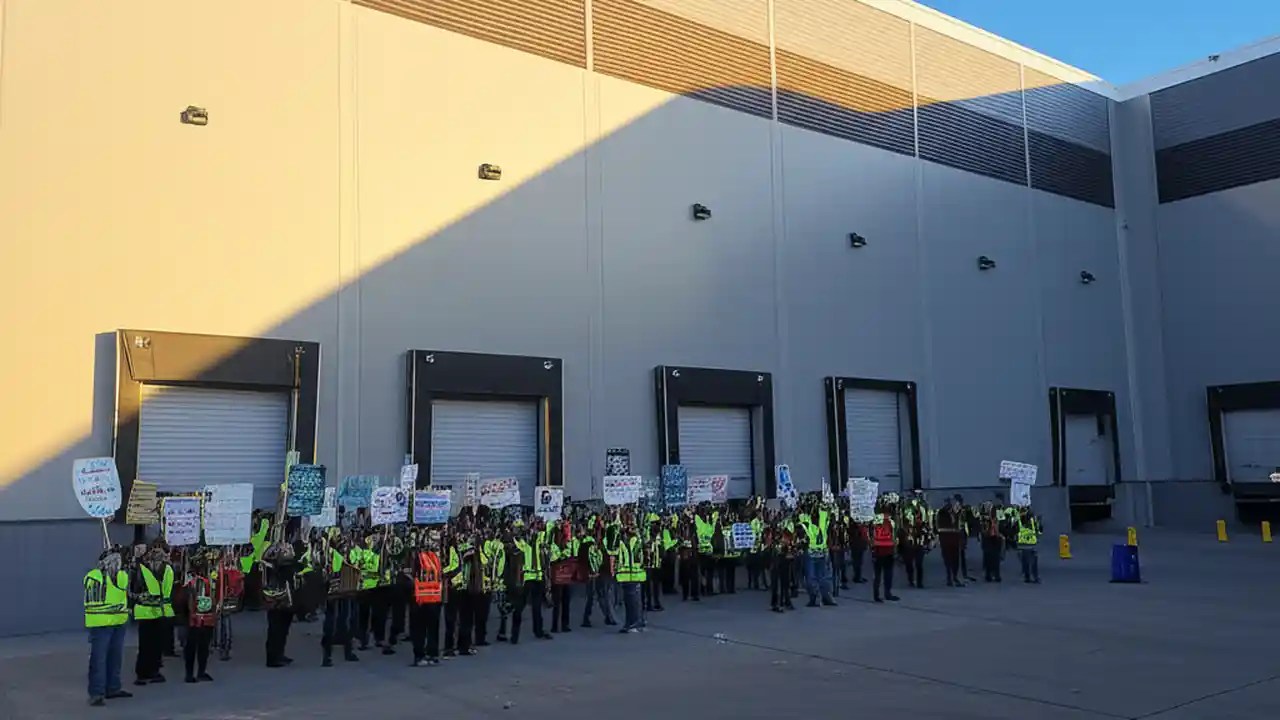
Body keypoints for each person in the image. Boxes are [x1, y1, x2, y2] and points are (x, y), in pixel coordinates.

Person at [85, 547, 134, 707]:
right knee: (99, 659)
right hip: (101, 624)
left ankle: (113, 687)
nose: (117, 563)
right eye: (114, 560)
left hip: (118, 622)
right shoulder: (94, 576)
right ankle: (97, 693)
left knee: (115, 657)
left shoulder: (121, 576)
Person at [131, 544, 173, 686]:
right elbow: (167, 589)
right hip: (156, 611)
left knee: (146, 645)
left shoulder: (143, 569)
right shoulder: (166, 569)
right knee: (154, 645)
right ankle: (151, 672)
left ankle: (143, 673)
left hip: (145, 612)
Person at [408, 529, 444, 666]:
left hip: (426, 598)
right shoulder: (428, 557)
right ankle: (426, 655)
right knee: (425, 629)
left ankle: (427, 654)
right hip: (426, 598)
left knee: (425, 629)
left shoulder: (425, 557)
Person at [183, 552, 218, 683]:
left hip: (199, 618)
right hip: (200, 618)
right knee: (198, 646)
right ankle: (195, 672)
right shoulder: (197, 582)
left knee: (197, 646)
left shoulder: (192, 581)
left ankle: (194, 673)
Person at [616, 519, 647, 633]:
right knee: (633, 601)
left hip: (631, 575)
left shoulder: (631, 541)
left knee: (632, 602)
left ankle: (633, 624)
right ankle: (636, 622)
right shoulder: (631, 540)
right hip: (631, 575)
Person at [870, 494, 900, 603]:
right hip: (886, 549)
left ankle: (877, 595)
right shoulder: (891, 520)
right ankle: (886, 593)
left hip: (879, 549)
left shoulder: (876, 518)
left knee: (879, 574)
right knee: (887, 574)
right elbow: (894, 534)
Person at [934, 496, 965, 587]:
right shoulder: (942, 512)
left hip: (953, 539)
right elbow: (938, 526)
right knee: (948, 559)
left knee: (954, 559)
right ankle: (950, 577)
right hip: (946, 539)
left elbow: (959, 525)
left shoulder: (955, 512)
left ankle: (954, 577)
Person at [1017, 507, 1043, 584]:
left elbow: (1014, 530)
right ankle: (1035, 577)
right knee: (1033, 562)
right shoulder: (1033, 521)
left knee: (1025, 562)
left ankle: (1027, 577)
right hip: (1031, 544)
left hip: (1022, 544)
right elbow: (1039, 531)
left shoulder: (1018, 520)